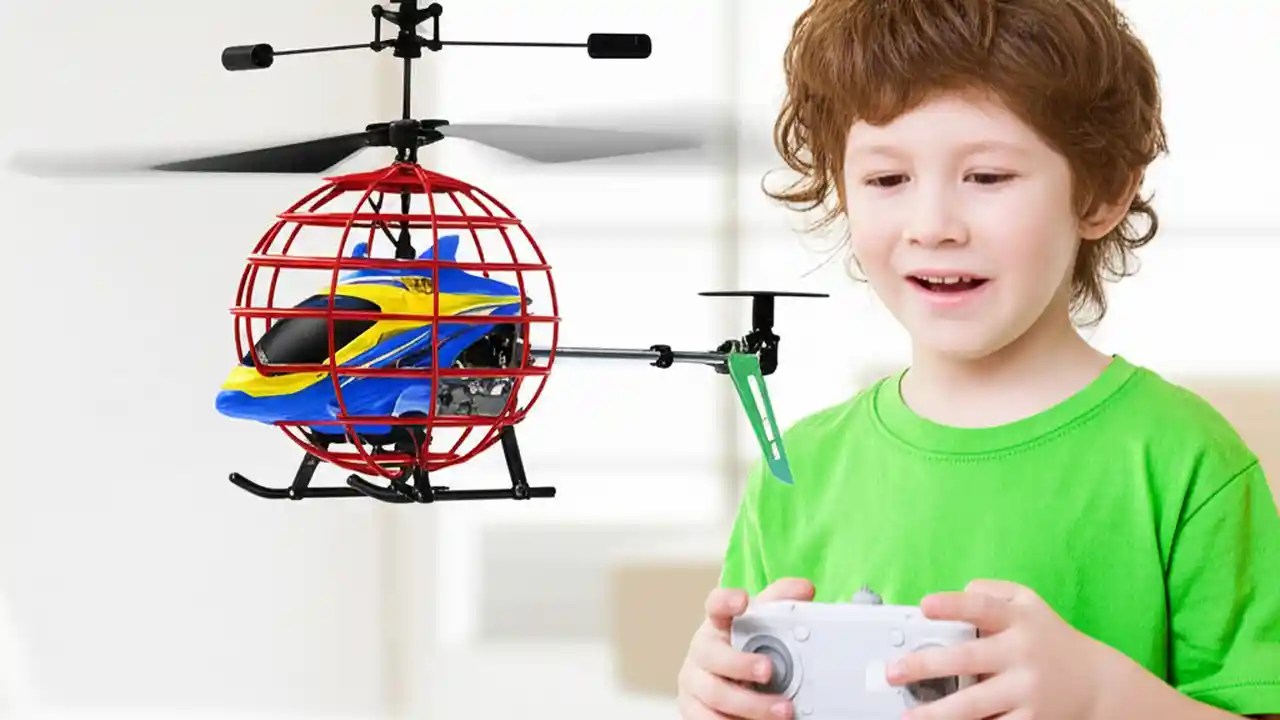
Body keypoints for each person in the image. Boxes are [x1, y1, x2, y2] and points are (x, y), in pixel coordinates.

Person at [675, 1, 1280, 719]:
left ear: (1103, 192)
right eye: (886, 181)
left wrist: (1097, 696)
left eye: (987, 177)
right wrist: (713, 696)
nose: (933, 226)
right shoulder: (796, 467)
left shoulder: (1183, 459)